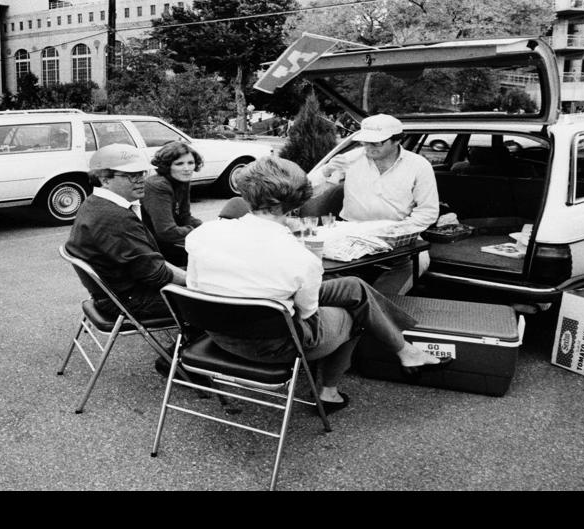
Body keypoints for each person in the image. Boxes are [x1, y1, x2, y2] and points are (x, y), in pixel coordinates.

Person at [185, 156, 448, 414]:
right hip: (273, 344)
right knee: (354, 314)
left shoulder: (202, 234)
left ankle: (405, 350)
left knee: (353, 286)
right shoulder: (301, 258)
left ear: (245, 193)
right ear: (298, 201)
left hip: (218, 330)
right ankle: (328, 392)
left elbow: (194, 284)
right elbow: (308, 312)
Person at [307, 112, 439, 293]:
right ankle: (343, 299)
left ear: (396, 140)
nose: (368, 147)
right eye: (364, 141)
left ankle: (378, 303)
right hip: (351, 229)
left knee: (421, 259)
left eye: (375, 143)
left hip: (397, 231)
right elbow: (308, 191)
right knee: (315, 258)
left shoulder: (419, 165)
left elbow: (428, 212)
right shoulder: (351, 159)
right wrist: (327, 170)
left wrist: (397, 231)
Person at [63, 143, 186, 327]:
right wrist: (199, 281)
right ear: (105, 180)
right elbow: (157, 275)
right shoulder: (114, 217)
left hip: (115, 292)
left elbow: (149, 262)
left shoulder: (95, 203)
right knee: (223, 299)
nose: (140, 180)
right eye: (130, 175)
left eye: (142, 173)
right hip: (129, 300)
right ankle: (183, 354)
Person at [140, 140, 205, 268]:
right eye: (179, 164)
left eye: (190, 163)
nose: (186, 168)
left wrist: (206, 227)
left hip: (168, 242)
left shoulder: (182, 180)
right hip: (151, 248)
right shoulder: (158, 185)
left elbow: (184, 216)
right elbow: (166, 232)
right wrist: (198, 232)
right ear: (167, 166)